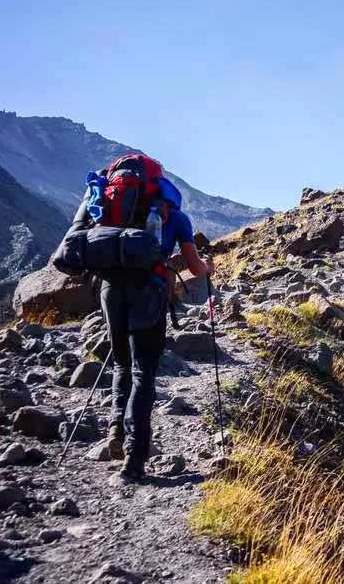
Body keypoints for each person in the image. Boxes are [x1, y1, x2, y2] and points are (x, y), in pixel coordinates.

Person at [102, 176, 213, 484]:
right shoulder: (175, 216)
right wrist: (208, 268)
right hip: (147, 291)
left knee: (120, 363)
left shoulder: (110, 204)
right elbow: (193, 266)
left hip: (110, 289)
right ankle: (134, 458)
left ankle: (115, 429)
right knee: (142, 372)